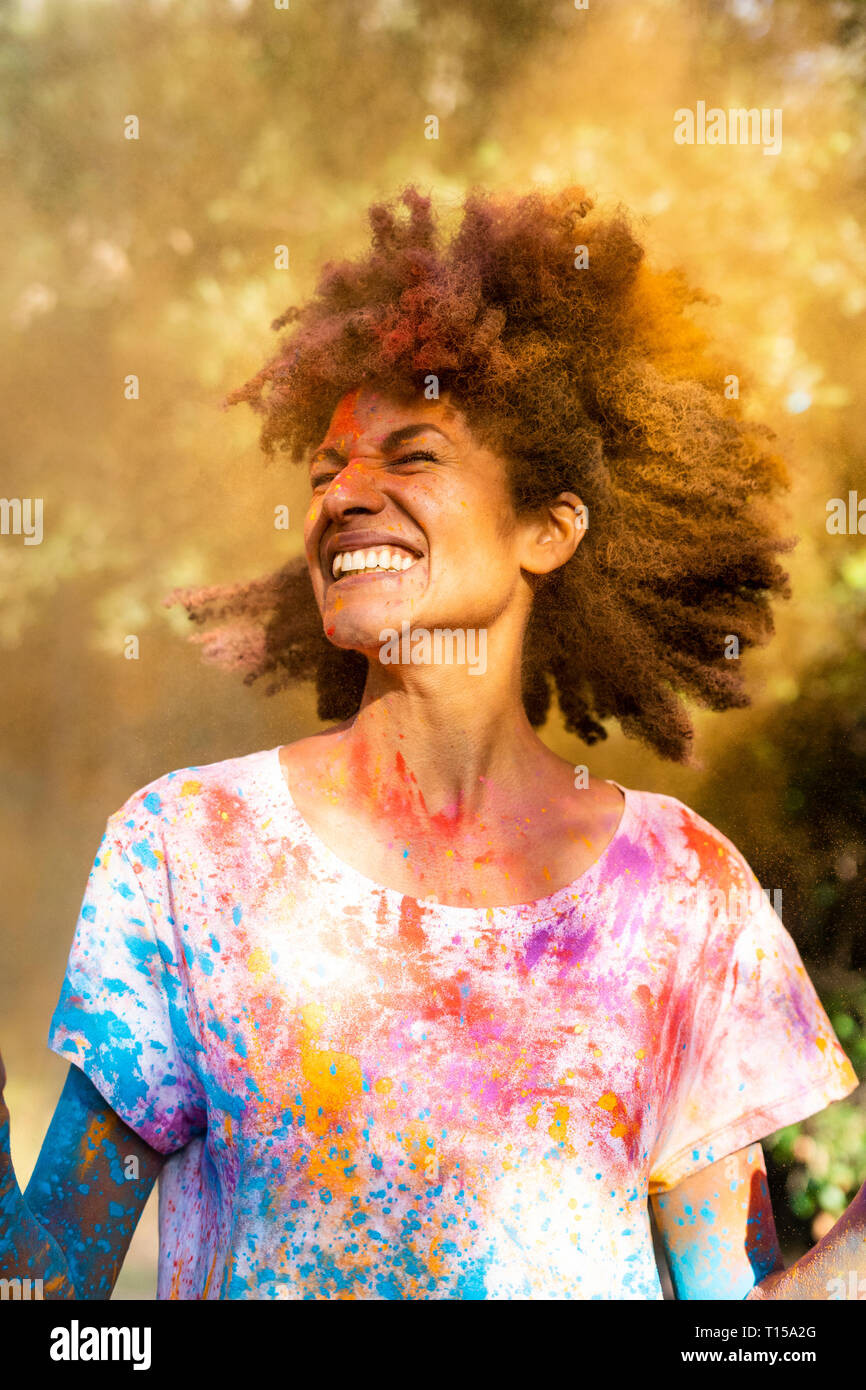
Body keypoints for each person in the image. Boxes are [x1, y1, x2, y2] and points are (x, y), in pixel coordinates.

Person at [2, 186, 863, 1300]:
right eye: (322, 472)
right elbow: (53, 1299)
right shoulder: (189, 848)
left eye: (409, 456)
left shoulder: (680, 889)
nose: (343, 496)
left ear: (546, 529)